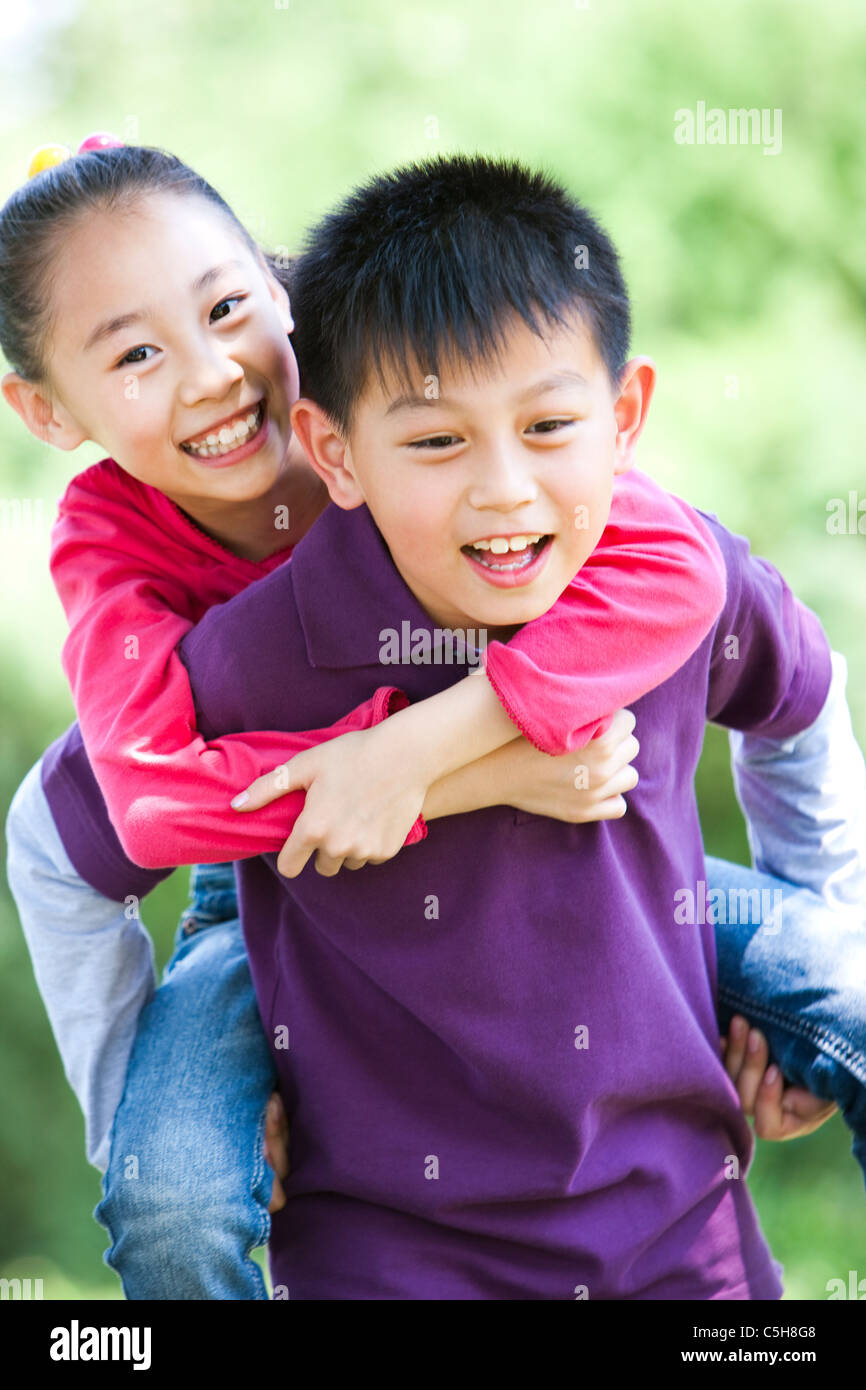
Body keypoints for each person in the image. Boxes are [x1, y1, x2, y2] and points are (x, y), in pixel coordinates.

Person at [38, 152, 866, 1298]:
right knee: (169, 1187)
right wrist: (172, 1114)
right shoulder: (213, 638)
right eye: (135, 354)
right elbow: (93, 822)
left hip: (675, 1186)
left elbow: (776, 666)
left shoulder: (628, 553)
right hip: (270, 905)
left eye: (226, 310)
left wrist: (806, 963)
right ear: (341, 453)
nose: (209, 376)